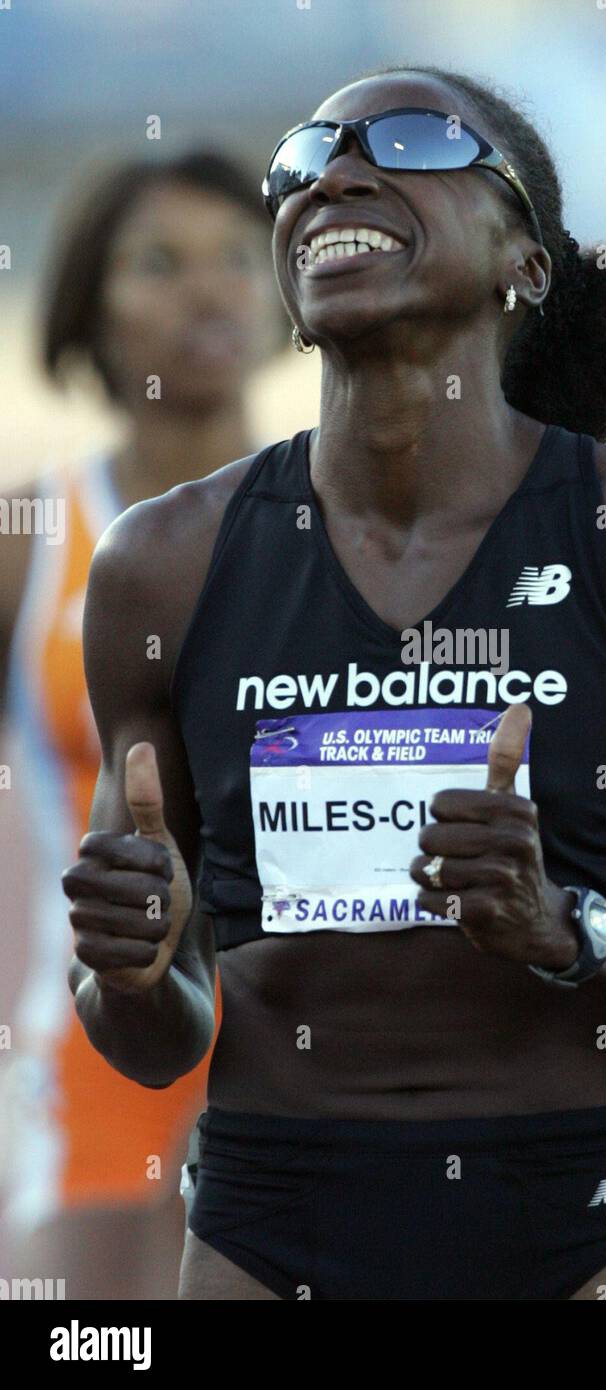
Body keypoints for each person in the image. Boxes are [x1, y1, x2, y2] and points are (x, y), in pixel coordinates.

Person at [61, 66, 606, 1301]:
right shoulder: (163, 567)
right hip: (274, 1217)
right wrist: (130, 965)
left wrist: (569, 930)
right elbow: (152, 1043)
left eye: (410, 138)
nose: (335, 173)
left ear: (523, 263)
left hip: (582, 1218)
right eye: (304, 156)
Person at [1, 149, 280, 1298]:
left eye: (233, 258)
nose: (207, 289)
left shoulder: (359, 522)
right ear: (88, 307)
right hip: (102, 1035)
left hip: (316, 1040)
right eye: (158, 263)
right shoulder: (33, 534)